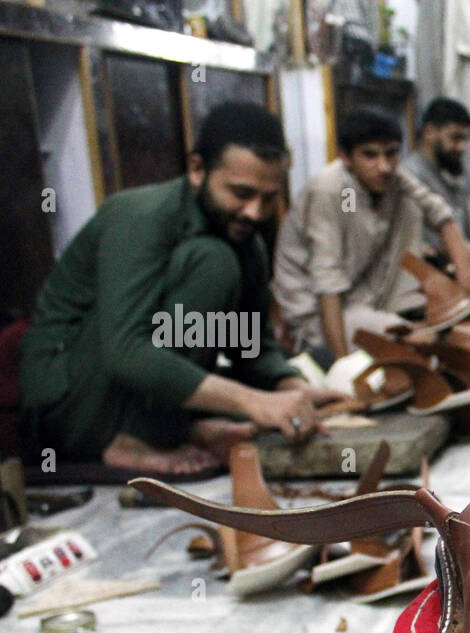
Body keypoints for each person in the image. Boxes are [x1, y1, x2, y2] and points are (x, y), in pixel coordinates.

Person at [19, 102, 340, 476]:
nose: (254, 211)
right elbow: (126, 350)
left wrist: (292, 388)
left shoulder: (246, 239)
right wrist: (254, 403)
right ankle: (129, 439)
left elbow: (250, 347)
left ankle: (171, 428)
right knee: (212, 261)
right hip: (70, 408)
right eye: (241, 193)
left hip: (130, 393)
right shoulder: (140, 216)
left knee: (218, 258)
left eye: (268, 199)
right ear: (197, 169)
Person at [272, 107, 470, 362]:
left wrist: (468, 283)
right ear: (345, 156)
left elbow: (441, 216)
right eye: (369, 155)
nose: (383, 166)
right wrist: (341, 364)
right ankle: (397, 330)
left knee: (410, 204)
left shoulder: (392, 178)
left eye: (392, 154)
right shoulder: (331, 189)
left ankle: (405, 310)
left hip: (363, 296)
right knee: (424, 342)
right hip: (320, 313)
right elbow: (327, 282)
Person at [401, 97, 470, 273]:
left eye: (465, 139)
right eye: (455, 138)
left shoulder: (453, 175)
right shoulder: (411, 177)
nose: (462, 147)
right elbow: (443, 247)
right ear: (429, 132)